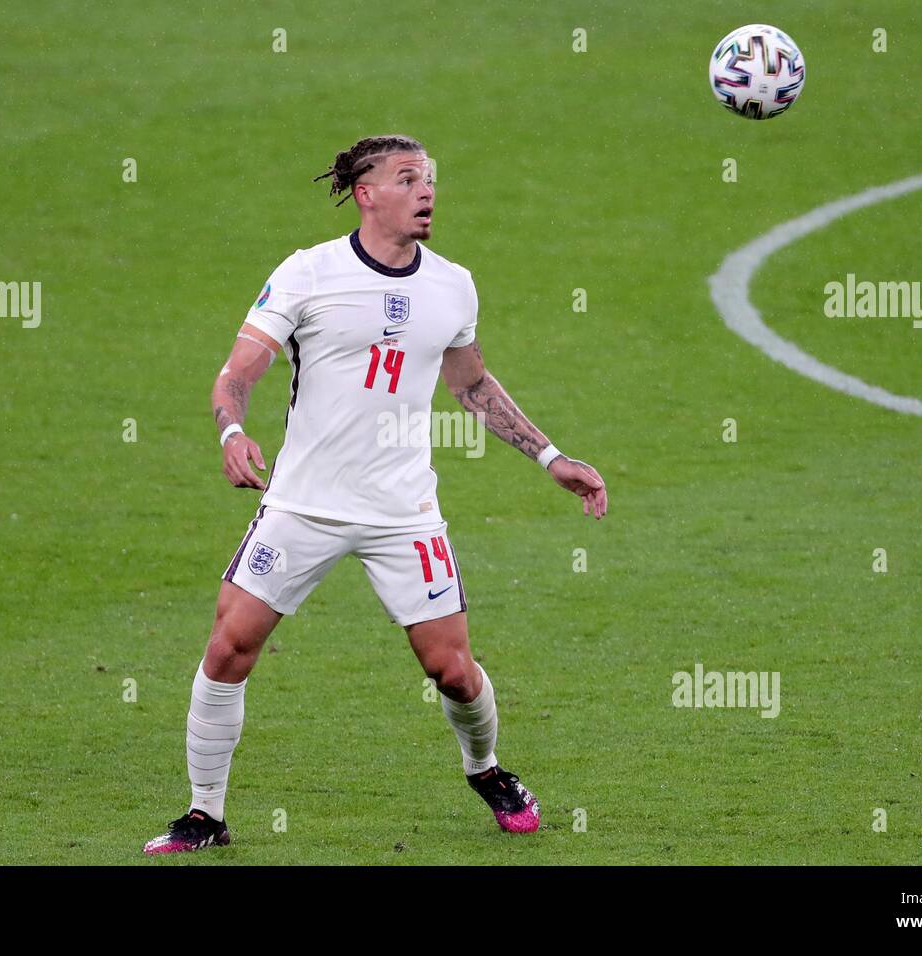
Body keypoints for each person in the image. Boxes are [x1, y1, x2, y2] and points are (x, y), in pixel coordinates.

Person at [144, 134, 608, 854]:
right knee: (229, 647)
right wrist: (231, 432)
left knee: (452, 672)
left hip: (403, 512)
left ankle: (485, 770)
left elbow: (471, 383)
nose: (426, 191)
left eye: (429, 179)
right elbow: (235, 375)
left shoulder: (453, 283)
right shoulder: (308, 273)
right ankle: (205, 814)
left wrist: (550, 456)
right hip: (303, 504)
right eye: (407, 178)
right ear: (366, 193)